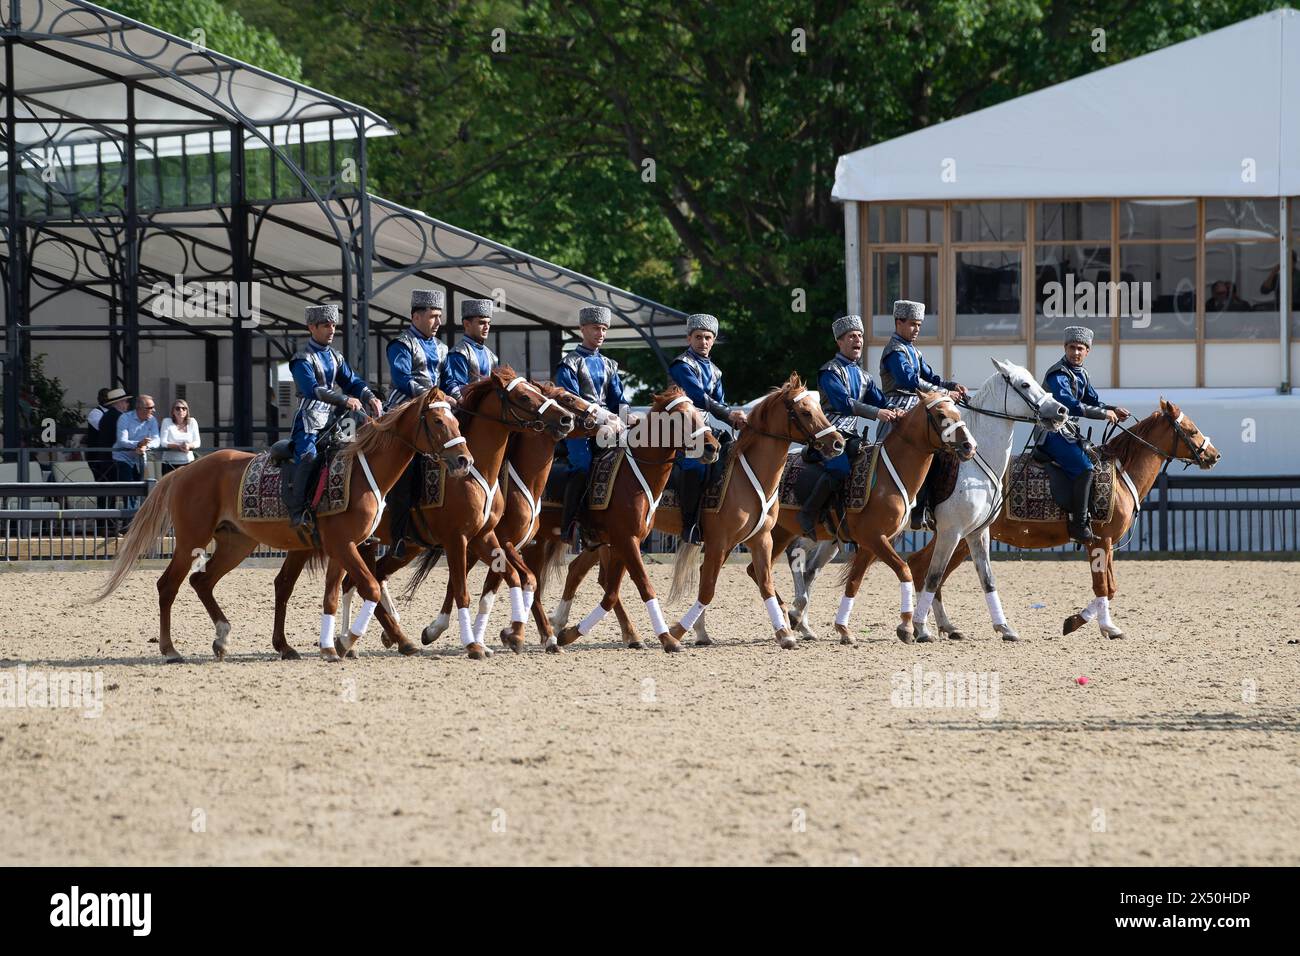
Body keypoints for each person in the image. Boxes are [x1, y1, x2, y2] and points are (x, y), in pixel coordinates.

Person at [799, 314, 901, 536]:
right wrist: (877, 413)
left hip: (851, 436)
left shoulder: (864, 376)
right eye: (852, 336)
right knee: (840, 468)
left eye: (860, 336)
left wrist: (897, 411)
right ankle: (808, 512)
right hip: (826, 436)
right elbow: (843, 403)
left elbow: (882, 402)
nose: (858, 340)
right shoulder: (829, 371)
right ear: (840, 342)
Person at [285, 304, 382, 531]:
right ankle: (298, 512)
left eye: (334, 325)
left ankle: (353, 513)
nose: (331, 329)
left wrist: (370, 397)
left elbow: (352, 381)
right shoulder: (301, 359)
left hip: (337, 420)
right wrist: (343, 400)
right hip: (309, 420)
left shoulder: (336, 357)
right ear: (311, 327)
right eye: (326, 325)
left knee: (353, 454)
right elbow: (311, 389)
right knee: (308, 457)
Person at [878, 299, 967, 528]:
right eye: (913, 324)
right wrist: (944, 391)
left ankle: (928, 506)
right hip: (898, 411)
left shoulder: (913, 351)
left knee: (942, 451)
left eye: (919, 325)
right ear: (899, 322)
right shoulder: (894, 351)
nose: (917, 329)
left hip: (921, 411)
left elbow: (931, 378)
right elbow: (907, 381)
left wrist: (952, 385)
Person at [1038, 326, 1130, 544]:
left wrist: (1113, 408)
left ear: (1088, 351)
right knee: (1085, 468)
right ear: (1065, 348)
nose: (1076, 352)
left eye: (1080, 348)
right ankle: (1078, 525)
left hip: (1068, 433)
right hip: (1051, 432)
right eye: (1072, 348)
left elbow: (1092, 402)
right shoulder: (1058, 373)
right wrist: (1103, 414)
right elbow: (1068, 404)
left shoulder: (1082, 374)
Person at [668, 313, 747, 544]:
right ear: (689, 339)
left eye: (708, 338)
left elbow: (719, 402)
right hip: (679, 425)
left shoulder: (715, 370)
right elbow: (697, 397)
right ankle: (689, 525)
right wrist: (727, 413)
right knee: (695, 466)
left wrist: (735, 418)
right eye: (699, 337)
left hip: (706, 428)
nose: (703, 342)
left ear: (713, 341)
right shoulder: (681, 364)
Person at [555, 305, 628, 546]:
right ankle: (570, 526)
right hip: (579, 429)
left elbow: (619, 399)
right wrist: (603, 418)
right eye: (596, 328)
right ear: (582, 329)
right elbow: (571, 401)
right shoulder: (569, 363)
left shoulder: (609, 364)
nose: (601, 333)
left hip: (609, 427)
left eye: (604, 329)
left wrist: (629, 416)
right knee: (583, 466)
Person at [385, 289, 448, 411]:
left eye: (439, 317)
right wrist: (432, 396)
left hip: (434, 406)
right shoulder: (402, 344)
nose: (439, 322)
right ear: (416, 317)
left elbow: (448, 381)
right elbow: (402, 379)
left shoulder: (442, 348)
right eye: (433, 317)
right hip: (402, 407)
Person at [441, 298, 498, 401]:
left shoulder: (492, 356)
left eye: (488, 323)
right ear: (467, 324)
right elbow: (457, 389)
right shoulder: (459, 353)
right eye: (482, 323)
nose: (487, 327)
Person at [112, 395, 160, 508]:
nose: (154, 410)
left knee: (141, 489)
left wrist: (145, 446)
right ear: (140, 408)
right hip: (123, 458)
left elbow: (157, 440)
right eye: (150, 407)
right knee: (129, 490)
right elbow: (122, 441)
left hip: (140, 459)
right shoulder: (125, 418)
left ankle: (136, 517)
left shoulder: (152, 420)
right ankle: (129, 519)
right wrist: (138, 444)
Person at [159, 399, 200, 474]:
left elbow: (197, 442)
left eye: (184, 408)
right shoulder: (167, 421)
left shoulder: (192, 422)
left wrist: (188, 446)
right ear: (173, 411)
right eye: (177, 408)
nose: (181, 410)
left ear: (187, 411)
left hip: (188, 462)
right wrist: (178, 446)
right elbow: (163, 442)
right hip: (170, 463)